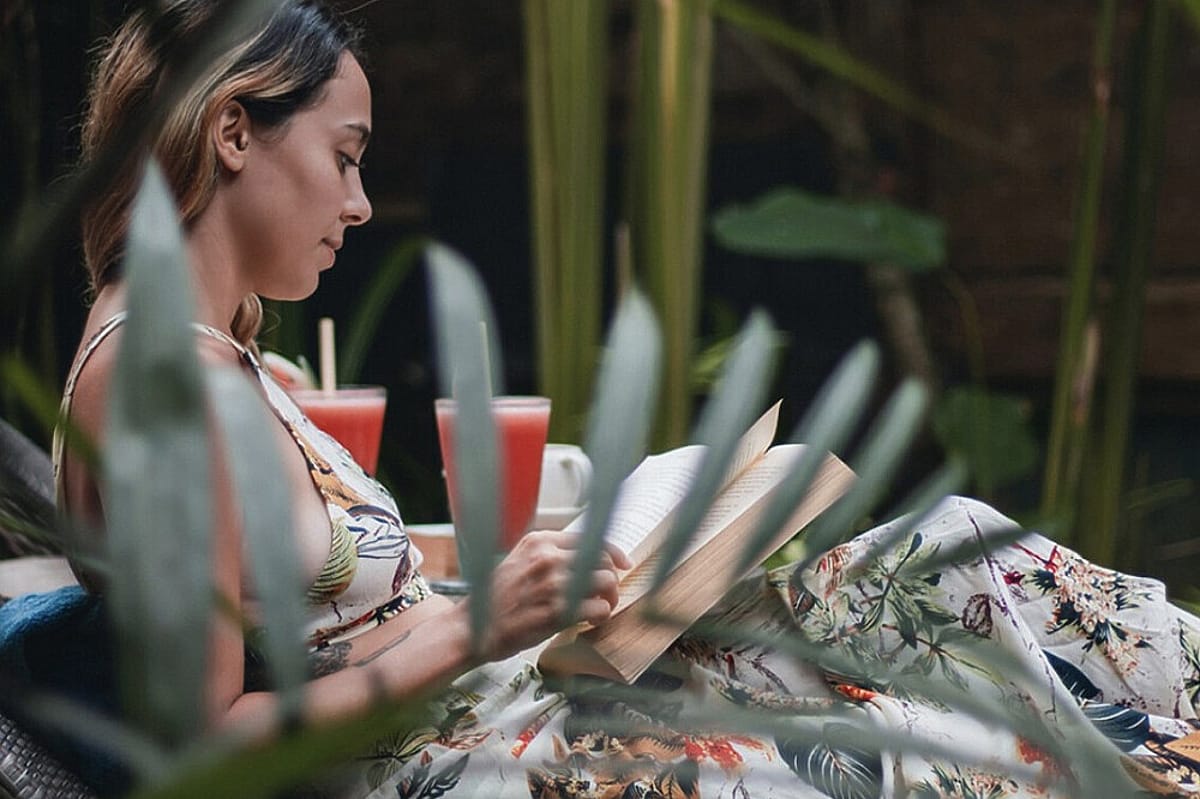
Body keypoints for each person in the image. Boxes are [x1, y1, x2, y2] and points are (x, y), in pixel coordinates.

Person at [46, 1, 1200, 797]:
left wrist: (520, 600)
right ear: (233, 129)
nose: (358, 202)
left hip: (490, 703)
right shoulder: (161, 388)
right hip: (458, 753)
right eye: (346, 156)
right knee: (920, 692)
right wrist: (474, 626)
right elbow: (199, 750)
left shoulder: (199, 358)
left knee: (945, 554)